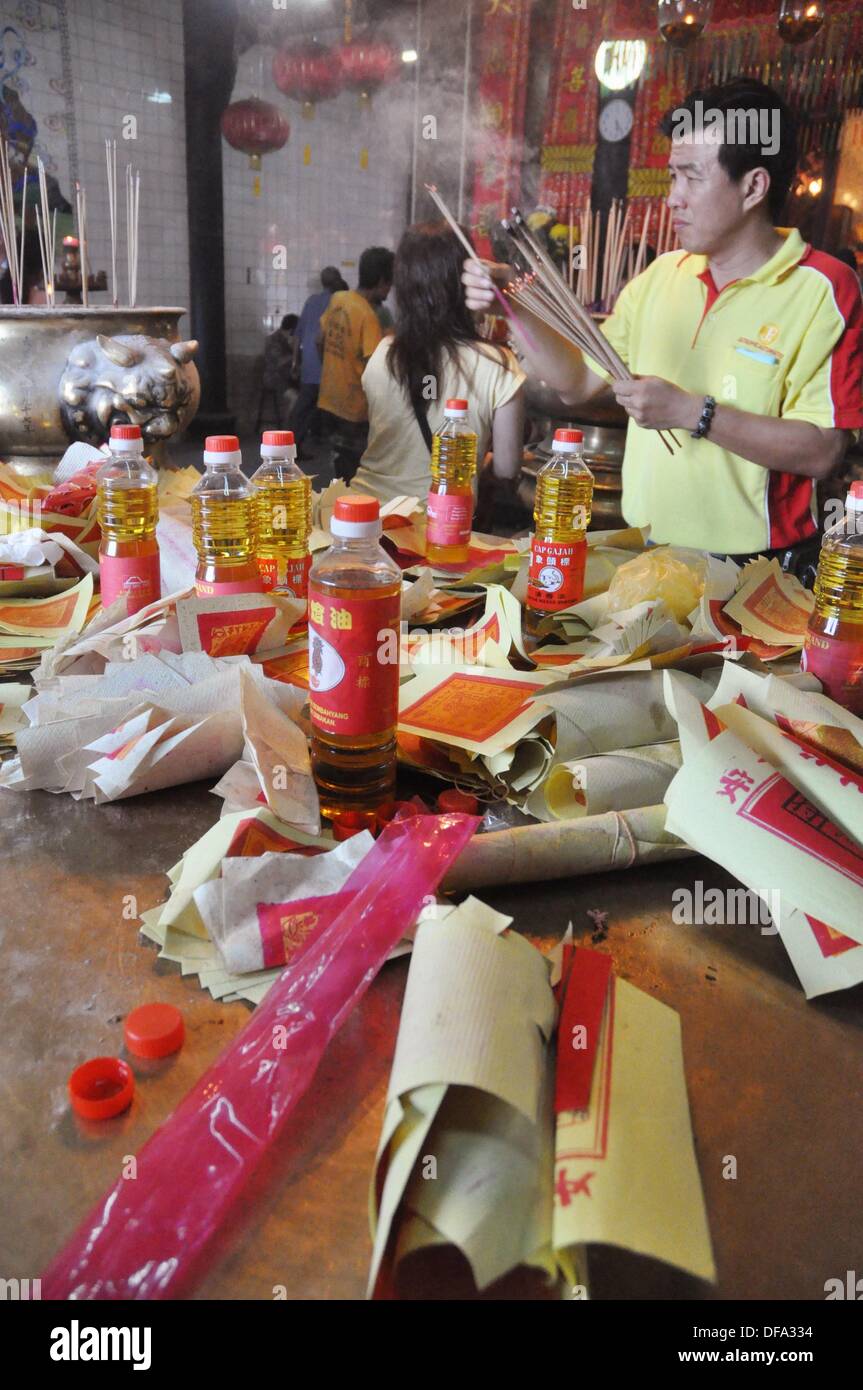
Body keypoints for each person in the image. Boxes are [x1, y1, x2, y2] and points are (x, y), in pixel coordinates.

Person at [463, 78, 863, 568]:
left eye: (691, 178)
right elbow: (576, 382)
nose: (673, 198)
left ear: (754, 186)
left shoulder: (825, 288)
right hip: (648, 548)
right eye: (672, 177)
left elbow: (823, 450)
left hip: (756, 564)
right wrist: (515, 302)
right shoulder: (662, 275)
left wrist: (693, 412)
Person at [352, 221, 525, 506]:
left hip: (366, 516)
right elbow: (507, 469)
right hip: (441, 528)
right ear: (464, 280)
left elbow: (392, 437)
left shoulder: (382, 354)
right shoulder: (500, 365)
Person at [317, 246, 394, 483]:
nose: (390, 290)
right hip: (354, 409)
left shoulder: (338, 300)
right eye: (390, 283)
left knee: (340, 464)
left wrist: (333, 370)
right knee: (358, 474)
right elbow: (377, 367)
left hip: (329, 399)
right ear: (382, 280)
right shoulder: (368, 315)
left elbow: (319, 341)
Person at [289, 266, 343, 452]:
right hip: (327, 365)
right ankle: (293, 446)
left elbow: (298, 334)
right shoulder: (337, 302)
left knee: (305, 407)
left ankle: (294, 446)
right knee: (313, 408)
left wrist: (296, 362)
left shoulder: (311, 301)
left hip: (309, 365)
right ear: (337, 281)